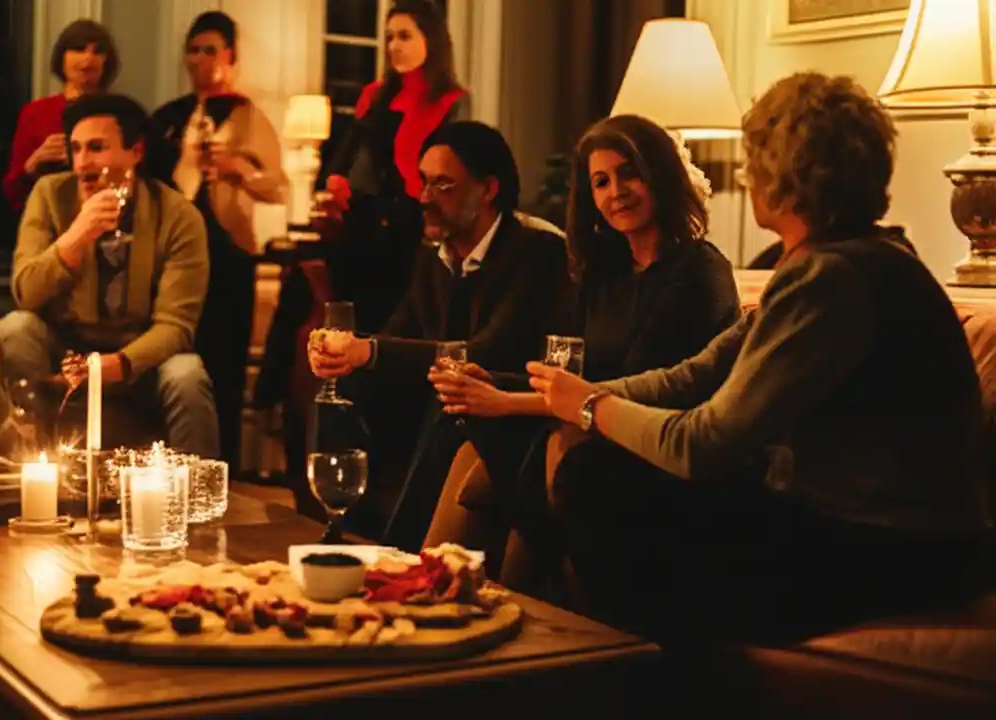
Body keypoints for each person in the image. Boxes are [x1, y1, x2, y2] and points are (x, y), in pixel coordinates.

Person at [523, 73, 990, 645]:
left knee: (596, 480)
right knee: (607, 469)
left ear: (785, 175)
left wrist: (592, 407)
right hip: (862, 528)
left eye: (754, 160)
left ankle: (646, 678)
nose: (747, 175)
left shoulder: (834, 278)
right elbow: (690, 377)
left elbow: (702, 443)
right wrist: (557, 400)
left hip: (893, 548)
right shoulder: (835, 260)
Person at [424, 115, 740, 585]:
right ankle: (426, 586)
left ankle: (507, 603)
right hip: (585, 421)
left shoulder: (697, 272)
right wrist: (495, 386)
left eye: (629, 173)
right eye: (601, 181)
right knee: (471, 440)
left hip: (652, 441)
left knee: (547, 447)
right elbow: (572, 368)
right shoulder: (605, 272)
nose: (618, 191)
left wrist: (508, 402)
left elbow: (639, 387)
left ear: (660, 173)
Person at [309, 121, 573, 547]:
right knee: (341, 388)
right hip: (447, 395)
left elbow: (486, 352)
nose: (424, 198)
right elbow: (399, 335)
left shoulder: (537, 250)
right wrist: (343, 356)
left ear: (488, 189)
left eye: (443, 185)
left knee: (450, 395)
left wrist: (370, 350)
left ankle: (399, 556)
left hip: (515, 404)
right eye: (424, 183)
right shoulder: (436, 255)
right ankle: (336, 530)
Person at [0, 94, 218, 459]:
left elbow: (176, 326)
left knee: (187, 373)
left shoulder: (179, 216)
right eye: (76, 149)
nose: (83, 163)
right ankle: (31, 467)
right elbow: (26, 293)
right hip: (65, 349)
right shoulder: (50, 195)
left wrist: (112, 366)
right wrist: (77, 236)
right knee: (16, 328)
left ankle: (199, 491)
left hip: (138, 359)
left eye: (96, 148)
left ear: (136, 152)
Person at [150, 11, 285, 475]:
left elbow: (275, 185)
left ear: (230, 56)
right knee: (173, 356)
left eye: (211, 49)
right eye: (194, 49)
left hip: (229, 255)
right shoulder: (168, 117)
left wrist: (236, 167)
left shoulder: (247, 115)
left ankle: (219, 471)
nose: (201, 59)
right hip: (172, 254)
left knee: (223, 364)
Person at [323, 0, 469, 334]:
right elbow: (343, 162)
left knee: (394, 330)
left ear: (429, 40)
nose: (393, 46)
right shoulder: (375, 96)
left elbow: (434, 175)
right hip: (360, 230)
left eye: (404, 36)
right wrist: (336, 187)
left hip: (411, 234)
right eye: (389, 37)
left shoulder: (449, 101)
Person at [2, 19, 119, 211]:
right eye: (79, 49)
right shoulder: (36, 113)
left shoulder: (118, 112)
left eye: (97, 51)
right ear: (61, 58)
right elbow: (12, 192)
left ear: (107, 62)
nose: (88, 58)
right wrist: (32, 165)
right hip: (49, 214)